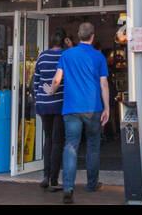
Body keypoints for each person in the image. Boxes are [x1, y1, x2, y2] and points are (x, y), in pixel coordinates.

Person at [44, 21, 110, 203]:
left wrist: (50, 91)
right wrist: (107, 108)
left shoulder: (66, 55)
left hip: (71, 109)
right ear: (93, 36)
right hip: (93, 108)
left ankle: (68, 187)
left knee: (71, 146)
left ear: (78, 35)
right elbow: (103, 83)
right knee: (93, 146)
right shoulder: (99, 57)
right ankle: (92, 183)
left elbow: (57, 79)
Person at [32, 33, 68, 191]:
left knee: (48, 138)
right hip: (59, 103)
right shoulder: (65, 55)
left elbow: (36, 80)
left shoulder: (42, 56)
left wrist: (37, 98)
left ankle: (45, 176)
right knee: (58, 141)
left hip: (43, 103)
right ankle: (54, 180)